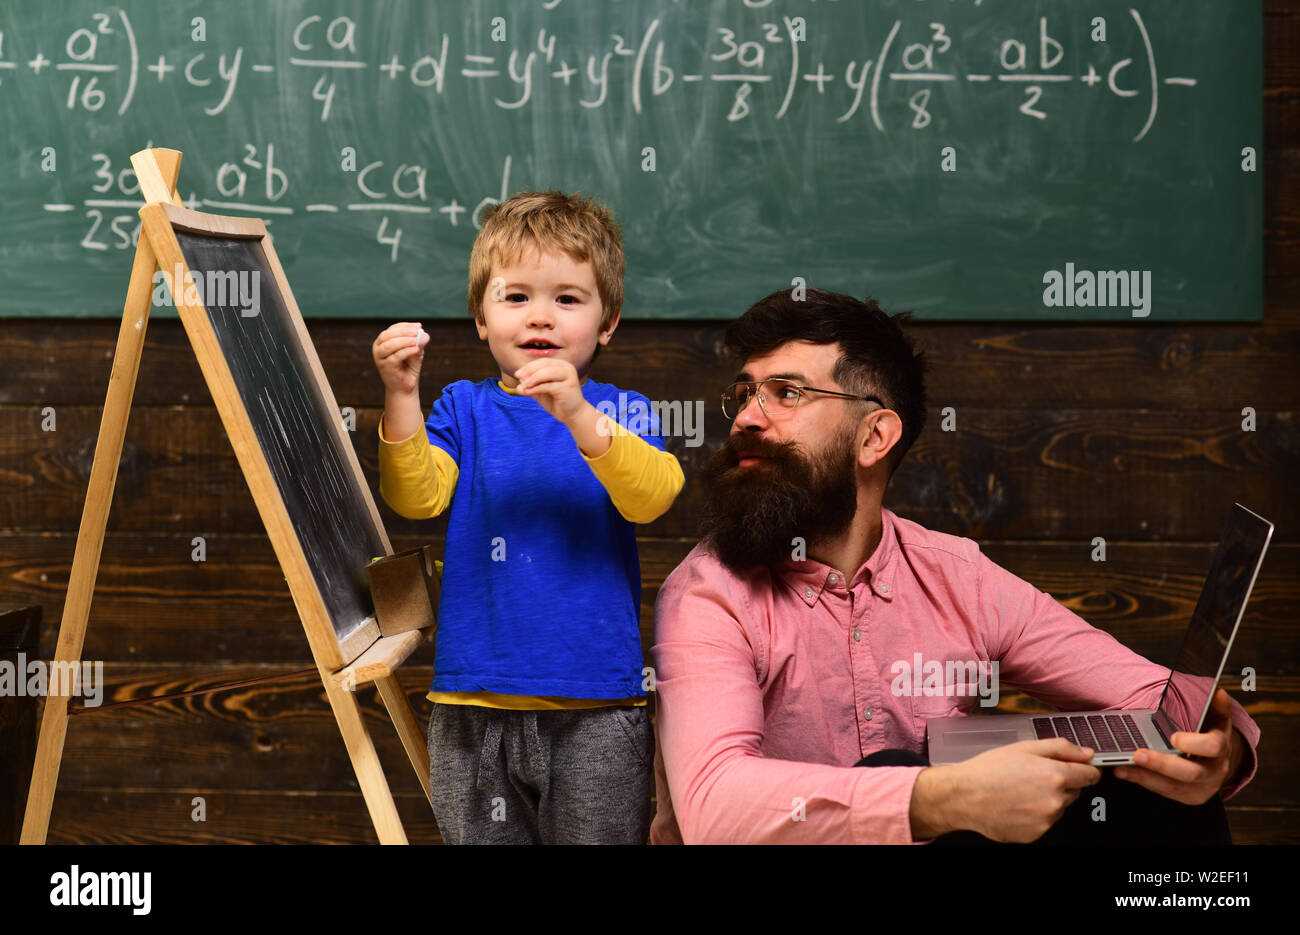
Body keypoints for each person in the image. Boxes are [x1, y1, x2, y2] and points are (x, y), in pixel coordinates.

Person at [650, 287, 1260, 844]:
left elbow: (1153, 696)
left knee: (1160, 793)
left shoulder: (956, 575)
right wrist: (942, 797)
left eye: (786, 393)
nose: (746, 418)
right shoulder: (709, 593)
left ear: (874, 437)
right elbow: (713, 807)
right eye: (744, 393)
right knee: (904, 773)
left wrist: (1218, 750)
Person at [372, 190, 684, 844]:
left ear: (608, 321)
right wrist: (402, 394)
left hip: (596, 706)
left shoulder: (622, 410)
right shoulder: (462, 407)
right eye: (516, 297)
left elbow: (652, 495)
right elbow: (417, 496)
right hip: (471, 704)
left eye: (567, 298)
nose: (540, 316)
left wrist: (577, 415)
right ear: (480, 318)